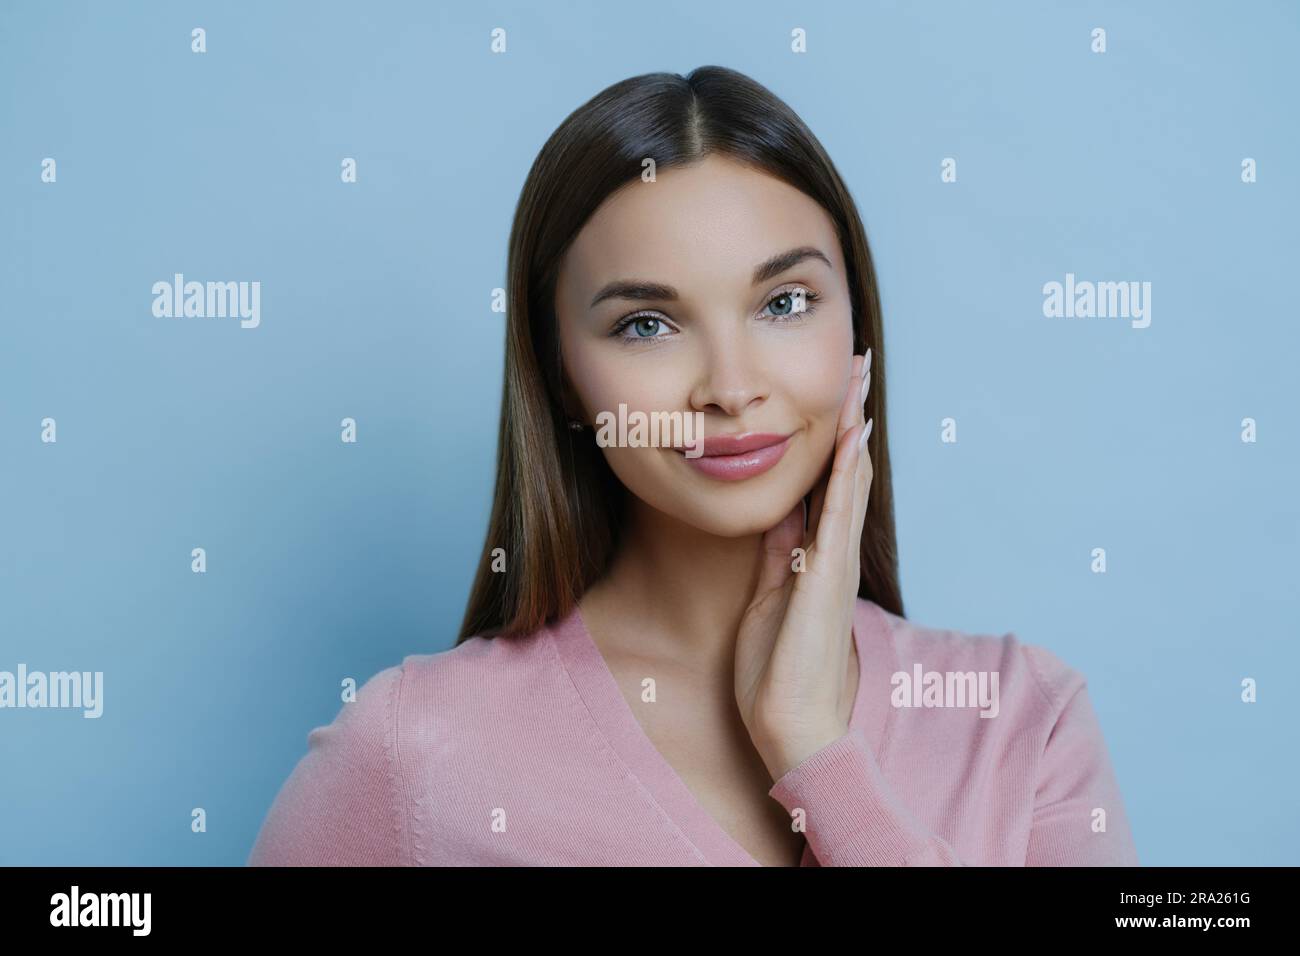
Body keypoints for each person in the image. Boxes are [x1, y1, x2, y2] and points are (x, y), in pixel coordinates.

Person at [248, 65, 1138, 867]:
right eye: (646, 323)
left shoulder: (1021, 720)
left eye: (785, 302)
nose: (732, 387)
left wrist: (817, 756)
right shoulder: (414, 753)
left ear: (857, 332)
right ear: (560, 377)